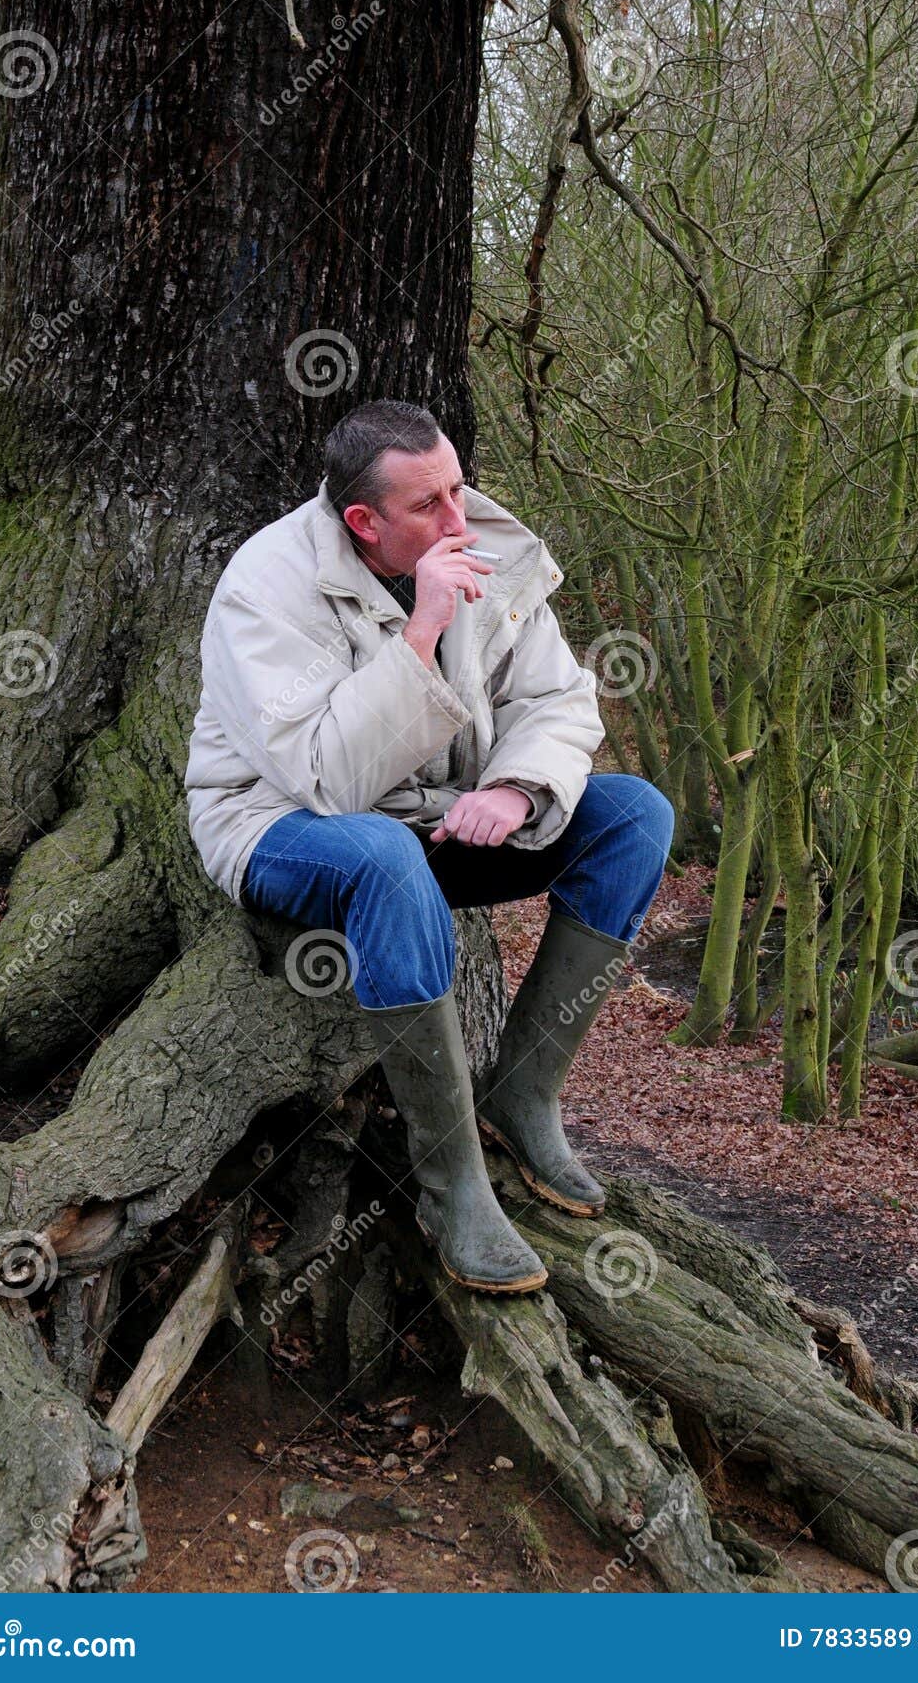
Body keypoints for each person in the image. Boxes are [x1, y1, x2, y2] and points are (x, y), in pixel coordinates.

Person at [184, 400, 674, 1294]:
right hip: (282, 825)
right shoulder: (266, 587)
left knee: (635, 816)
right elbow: (326, 780)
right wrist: (420, 635)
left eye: (458, 488)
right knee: (382, 853)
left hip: (438, 818)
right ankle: (453, 1186)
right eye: (429, 504)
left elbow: (558, 700)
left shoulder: (487, 546)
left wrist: (514, 788)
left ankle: (522, 1094)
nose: (460, 519)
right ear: (363, 521)